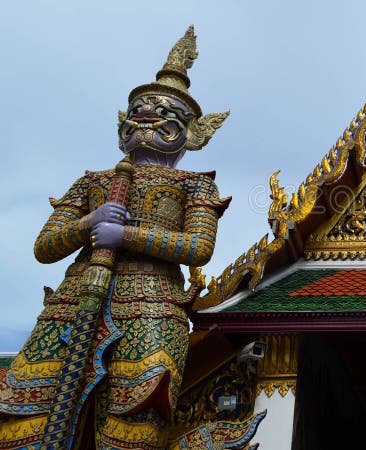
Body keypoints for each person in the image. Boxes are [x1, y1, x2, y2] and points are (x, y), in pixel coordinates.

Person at [0, 27, 230, 449]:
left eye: (164, 117)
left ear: (193, 134)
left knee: (132, 422)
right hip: (74, 301)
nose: (147, 120)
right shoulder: (93, 181)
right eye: (139, 113)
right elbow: (44, 247)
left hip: (152, 305)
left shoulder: (195, 185)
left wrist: (125, 234)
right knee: (26, 414)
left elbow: (198, 248)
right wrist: (88, 223)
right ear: (123, 125)